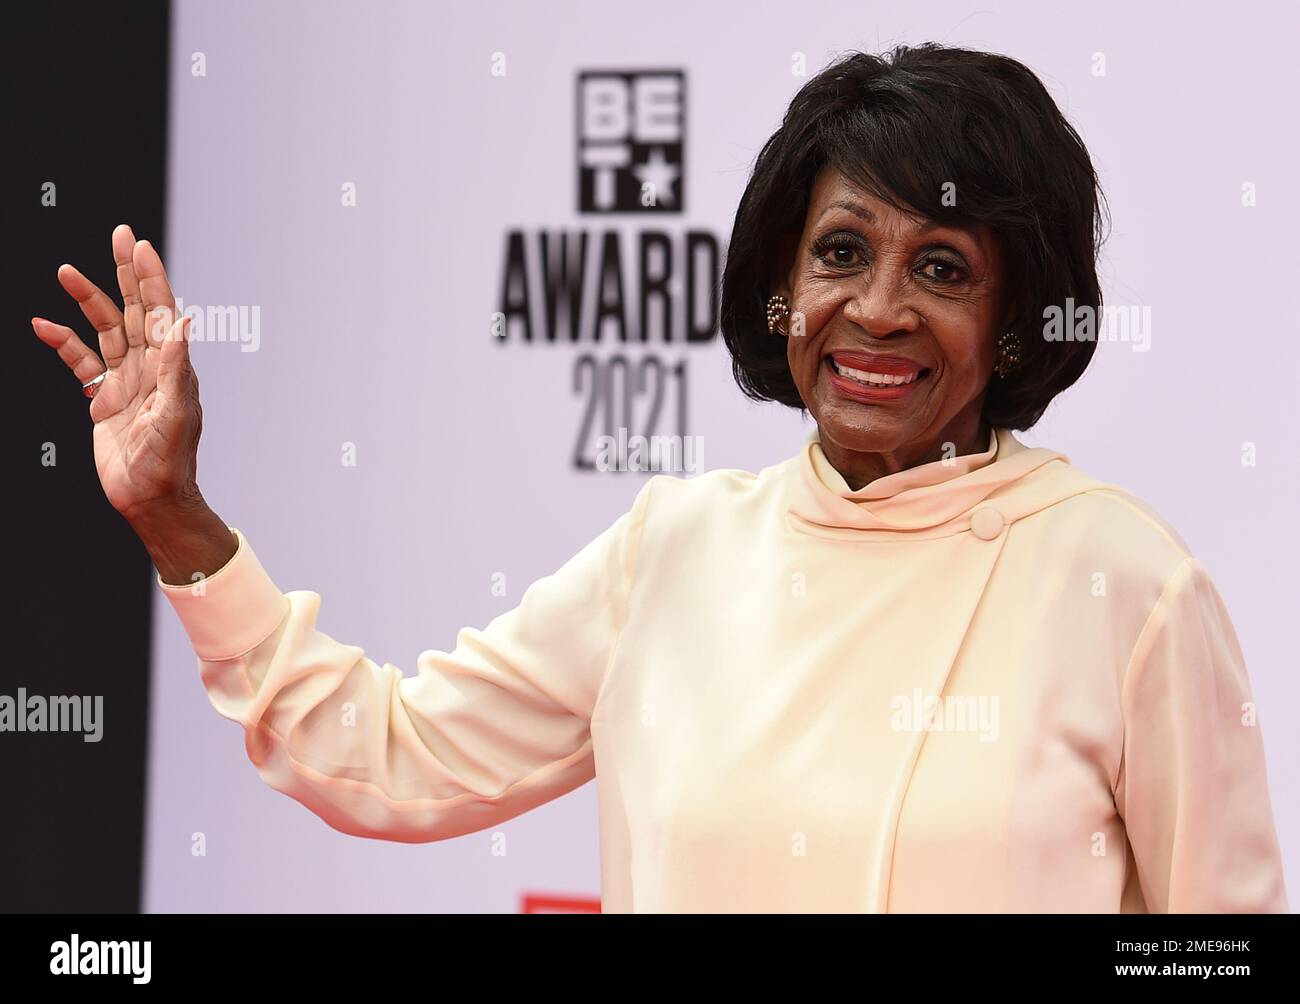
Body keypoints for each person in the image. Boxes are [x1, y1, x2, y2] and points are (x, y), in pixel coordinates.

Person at [33, 43, 1288, 913]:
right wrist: (172, 514)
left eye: (944, 268)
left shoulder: (1122, 580)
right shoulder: (674, 547)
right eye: (841, 251)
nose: (878, 309)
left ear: (1017, 322)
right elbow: (390, 755)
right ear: (780, 289)